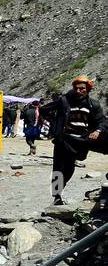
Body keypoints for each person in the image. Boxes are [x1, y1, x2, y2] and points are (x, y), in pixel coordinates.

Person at [45, 76, 104, 205]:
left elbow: (102, 121)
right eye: (76, 88)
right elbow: (44, 110)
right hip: (64, 139)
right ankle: (56, 197)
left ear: (87, 89)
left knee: (70, 168)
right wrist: (55, 124)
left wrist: (97, 131)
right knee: (59, 169)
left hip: (81, 140)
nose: (78, 91)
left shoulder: (93, 104)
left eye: (82, 88)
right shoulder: (64, 101)